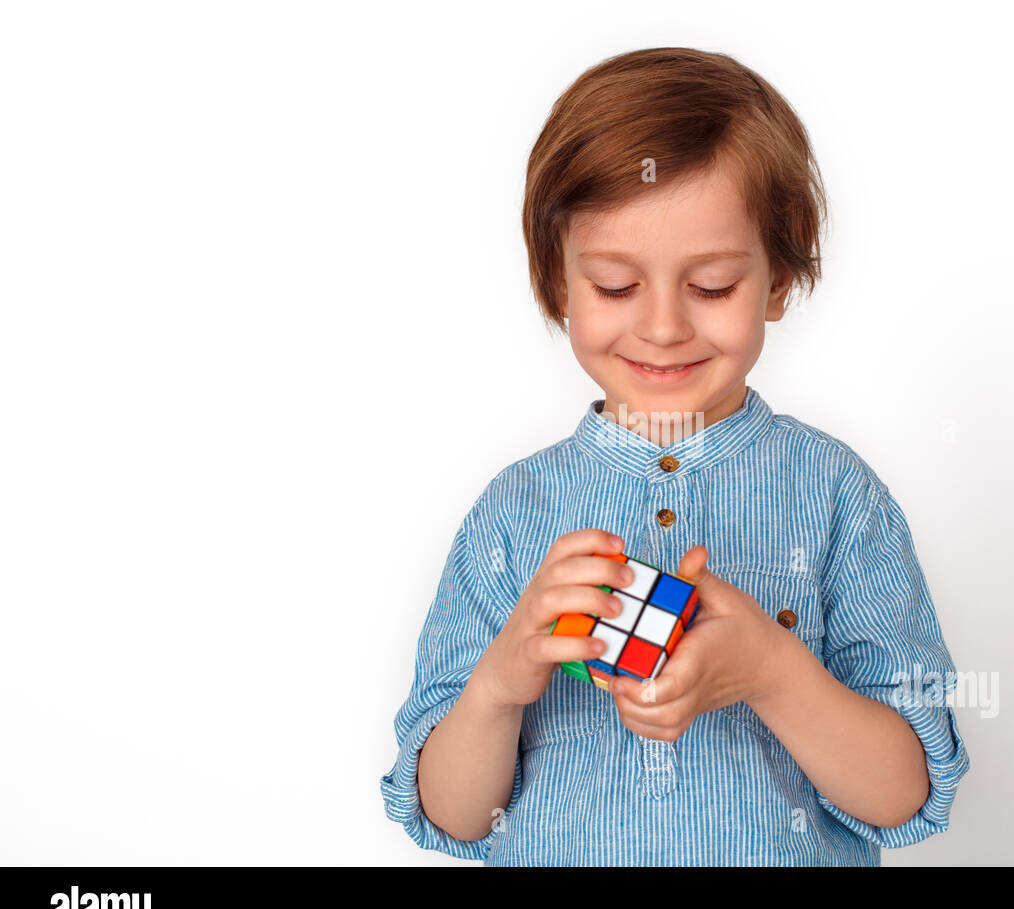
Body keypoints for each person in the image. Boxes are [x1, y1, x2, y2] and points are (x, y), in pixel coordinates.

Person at [379, 46, 970, 865]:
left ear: (779, 280)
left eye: (714, 285)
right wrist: (498, 686)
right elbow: (455, 818)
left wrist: (772, 672)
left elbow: (907, 793)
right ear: (556, 282)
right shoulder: (511, 515)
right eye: (617, 286)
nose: (662, 328)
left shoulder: (838, 497)